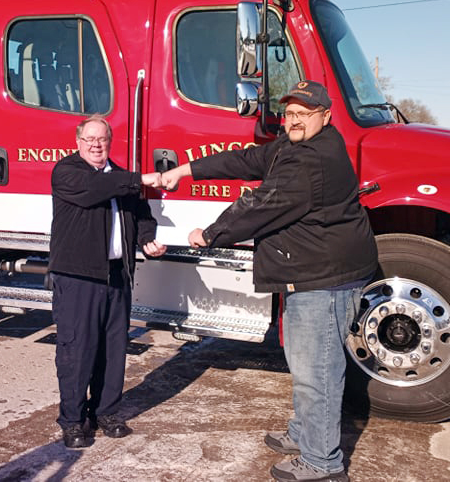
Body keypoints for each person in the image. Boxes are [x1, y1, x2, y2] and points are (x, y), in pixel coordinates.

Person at [160, 80, 378, 482]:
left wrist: (209, 234)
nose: (293, 120)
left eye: (303, 113)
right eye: (290, 113)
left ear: (325, 117)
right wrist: (187, 170)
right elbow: (246, 160)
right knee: (305, 365)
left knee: (318, 373)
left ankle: (322, 463)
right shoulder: (293, 146)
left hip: (324, 279)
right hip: (310, 274)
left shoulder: (312, 160)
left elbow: (258, 205)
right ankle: (306, 434)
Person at [49, 116, 167, 449]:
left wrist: (146, 240)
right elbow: (94, 192)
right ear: (78, 142)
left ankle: (107, 412)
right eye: (90, 139)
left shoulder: (120, 178)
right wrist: (138, 178)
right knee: (77, 350)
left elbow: (142, 213)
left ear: (110, 142)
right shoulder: (67, 173)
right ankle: (73, 421)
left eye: (102, 139)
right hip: (78, 277)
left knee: (113, 351)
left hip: (117, 274)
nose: (96, 145)